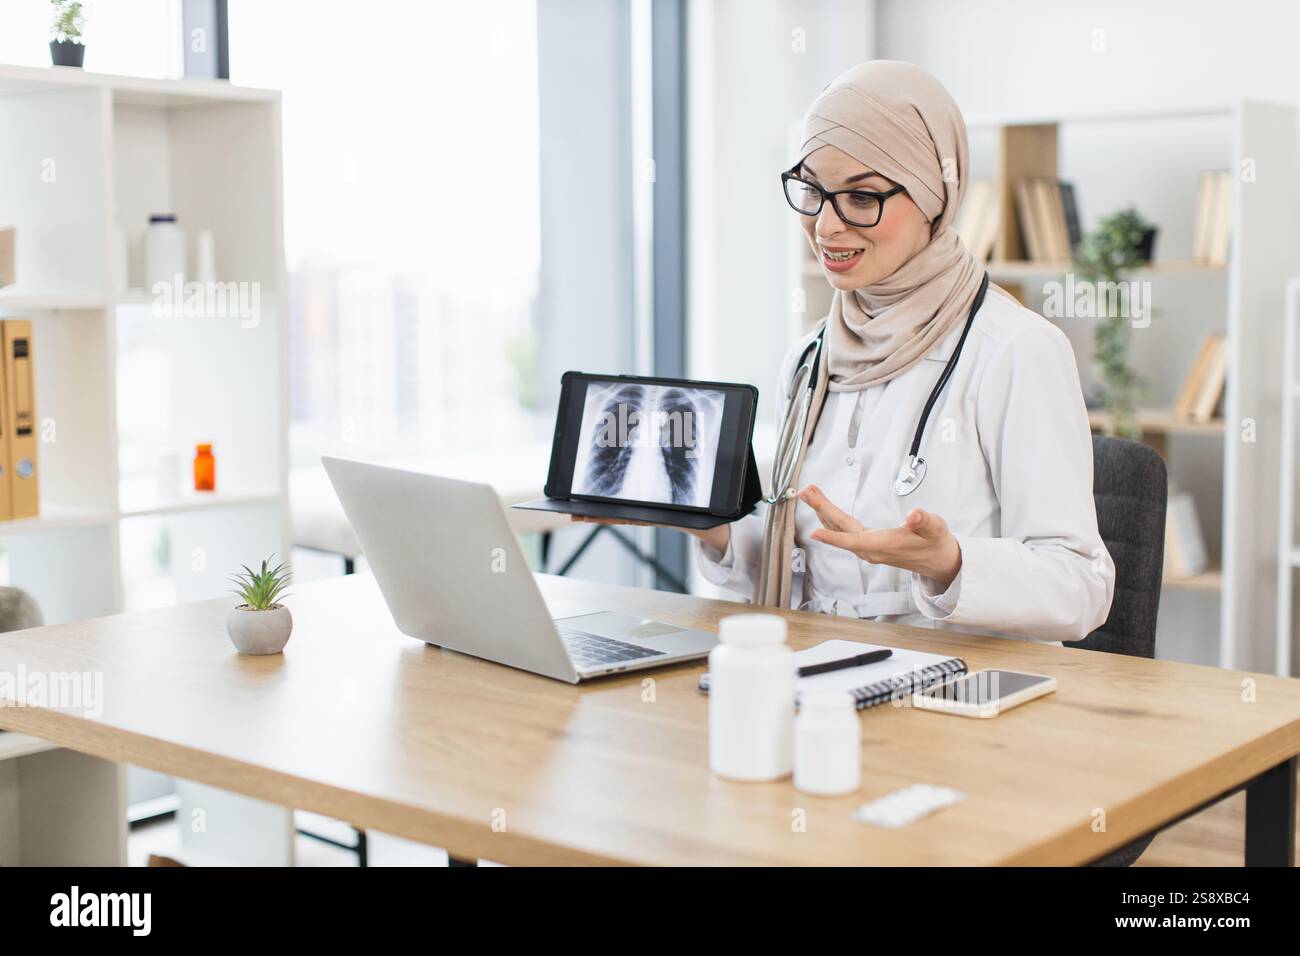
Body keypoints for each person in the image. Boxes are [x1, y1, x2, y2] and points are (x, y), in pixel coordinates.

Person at [577, 60, 1113, 645]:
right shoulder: (811, 356)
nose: (826, 227)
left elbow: (1082, 585)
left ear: (936, 197)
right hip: (824, 676)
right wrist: (706, 524)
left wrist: (951, 562)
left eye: (861, 197)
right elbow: (803, 561)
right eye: (812, 192)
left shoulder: (1016, 349)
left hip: (963, 700)